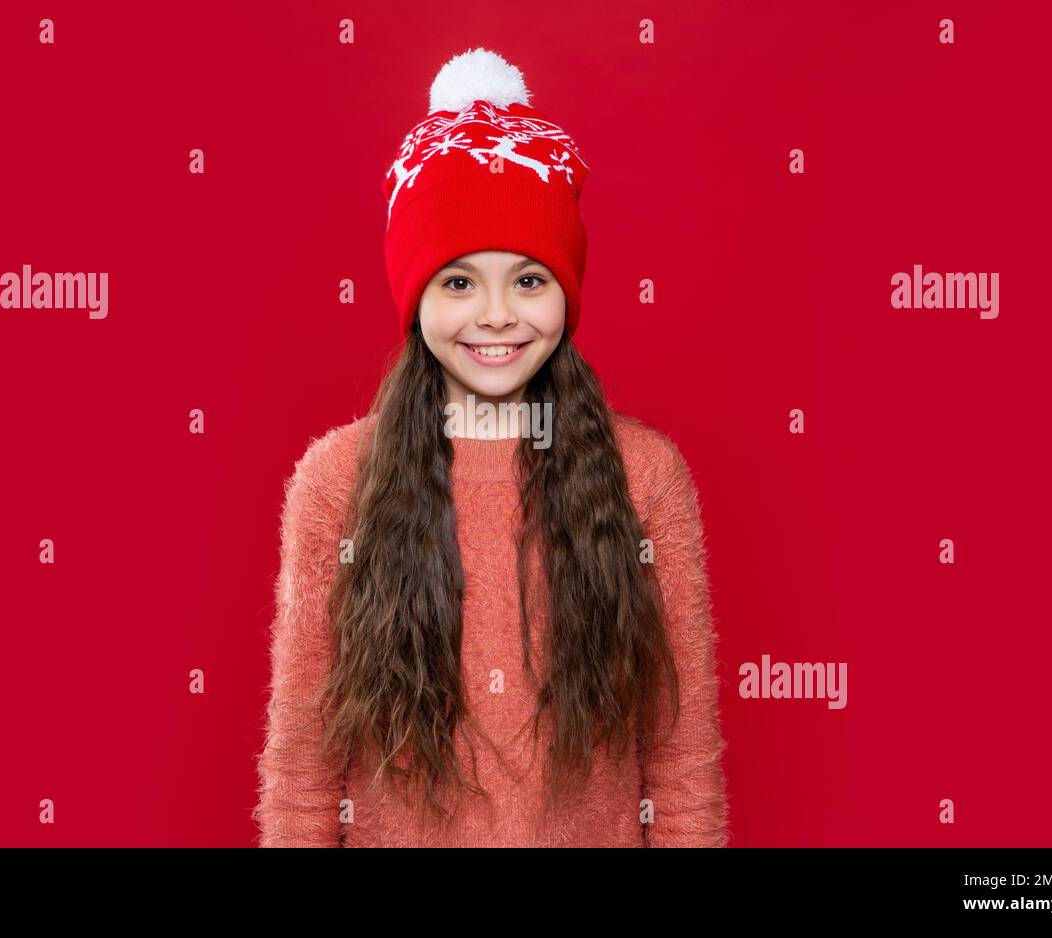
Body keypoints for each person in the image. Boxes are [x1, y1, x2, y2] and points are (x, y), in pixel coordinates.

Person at [253, 47, 729, 847]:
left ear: (566, 292)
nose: (499, 315)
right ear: (416, 297)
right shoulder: (338, 479)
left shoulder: (645, 475)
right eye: (459, 281)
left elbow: (679, 759)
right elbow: (305, 765)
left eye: (531, 279)